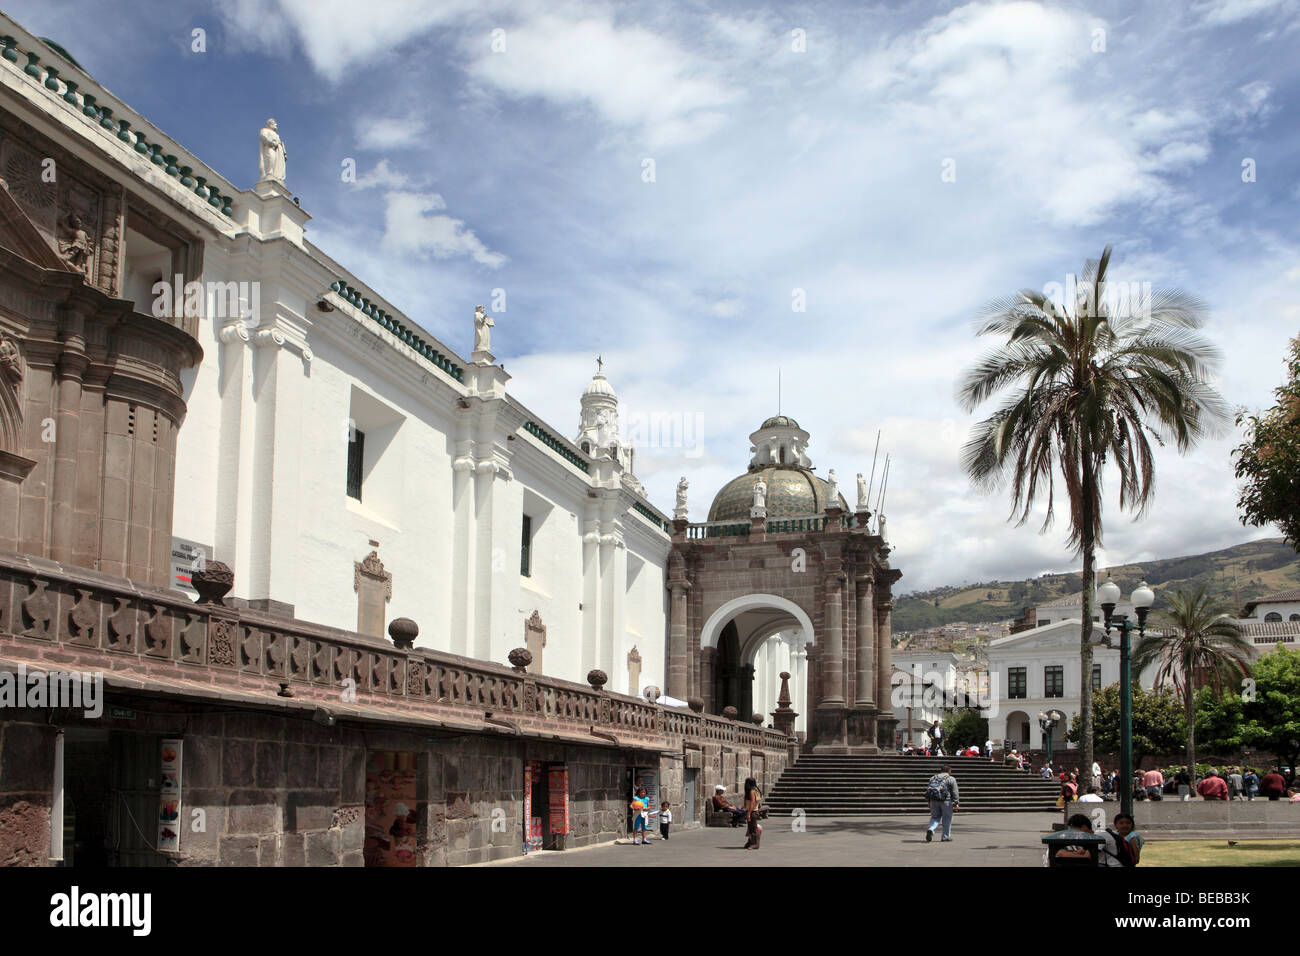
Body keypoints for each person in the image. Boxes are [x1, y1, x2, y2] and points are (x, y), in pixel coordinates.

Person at [925, 764, 960, 843]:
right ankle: (945, 836)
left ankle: (931, 829)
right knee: (947, 818)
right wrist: (956, 802)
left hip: (934, 800)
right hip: (946, 801)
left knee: (934, 817)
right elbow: (955, 791)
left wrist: (929, 801)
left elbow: (929, 790)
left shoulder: (933, 778)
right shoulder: (951, 778)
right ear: (949, 771)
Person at [742, 777, 762, 850]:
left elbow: (752, 802)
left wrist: (748, 813)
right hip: (754, 810)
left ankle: (755, 844)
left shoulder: (752, 791)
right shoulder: (756, 790)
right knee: (750, 829)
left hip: (752, 811)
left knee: (753, 829)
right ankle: (750, 842)